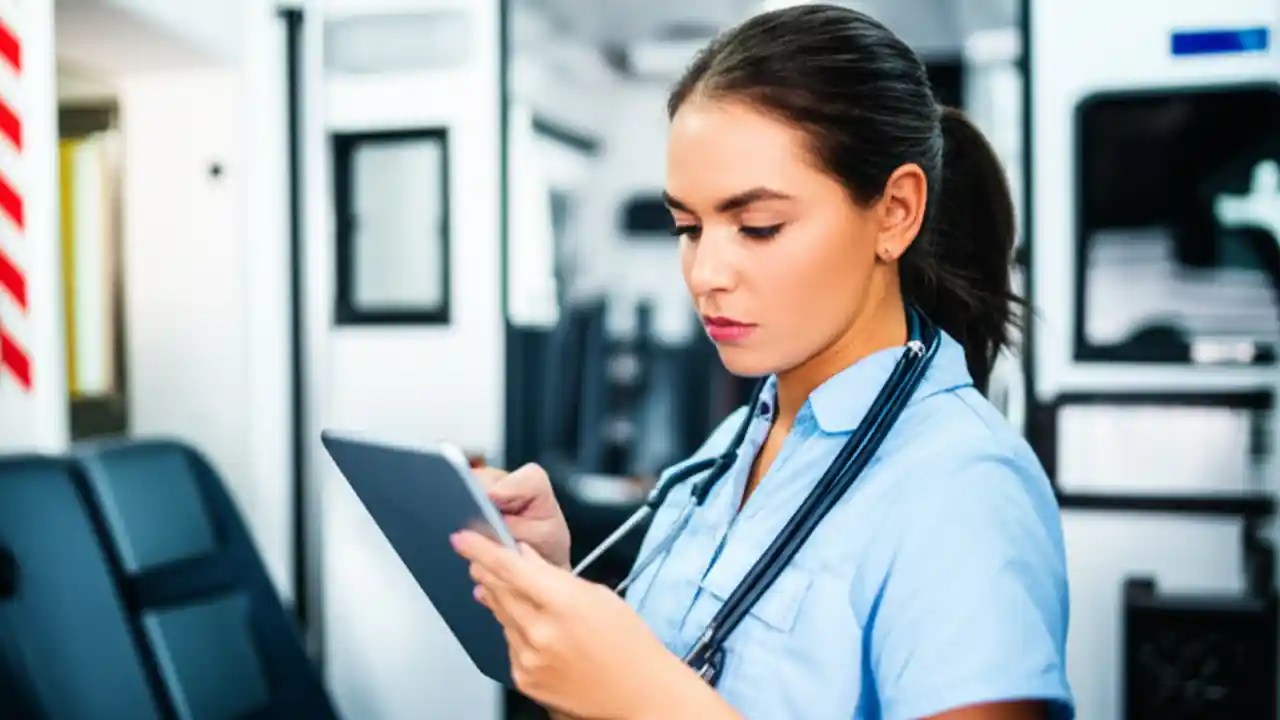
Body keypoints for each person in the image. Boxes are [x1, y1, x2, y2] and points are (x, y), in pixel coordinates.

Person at [451, 5, 1073, 719]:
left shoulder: (961, 491)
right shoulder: (727, 455)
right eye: (687, 227)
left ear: (896, 211)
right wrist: (553, 599)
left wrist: (654, 702)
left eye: (758, 227)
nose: (705, 272)